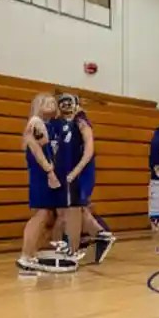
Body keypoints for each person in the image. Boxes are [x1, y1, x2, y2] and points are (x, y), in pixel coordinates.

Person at [52, 94, 116, 264]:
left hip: (78, 173)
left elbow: (89, 150)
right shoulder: (60, 124)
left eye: (69, 102)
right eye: (62, 103)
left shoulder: (80, 121)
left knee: (73, 210)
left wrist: (75, 171)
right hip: (66, 173)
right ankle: (101, 235)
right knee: (76, 210)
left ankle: (72, 251)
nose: (66, 105)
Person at [18, 94, 71, 273]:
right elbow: (36, 149)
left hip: (48, 173)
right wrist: (49, 171)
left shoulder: (50, 125)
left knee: (47, 214)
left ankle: (31, 254)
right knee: (40, 214)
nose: (52, 105)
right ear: (38, 105)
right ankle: (26, 255)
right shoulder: (36, 122)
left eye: (53, 103)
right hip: (41, 173)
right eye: (47, 102)